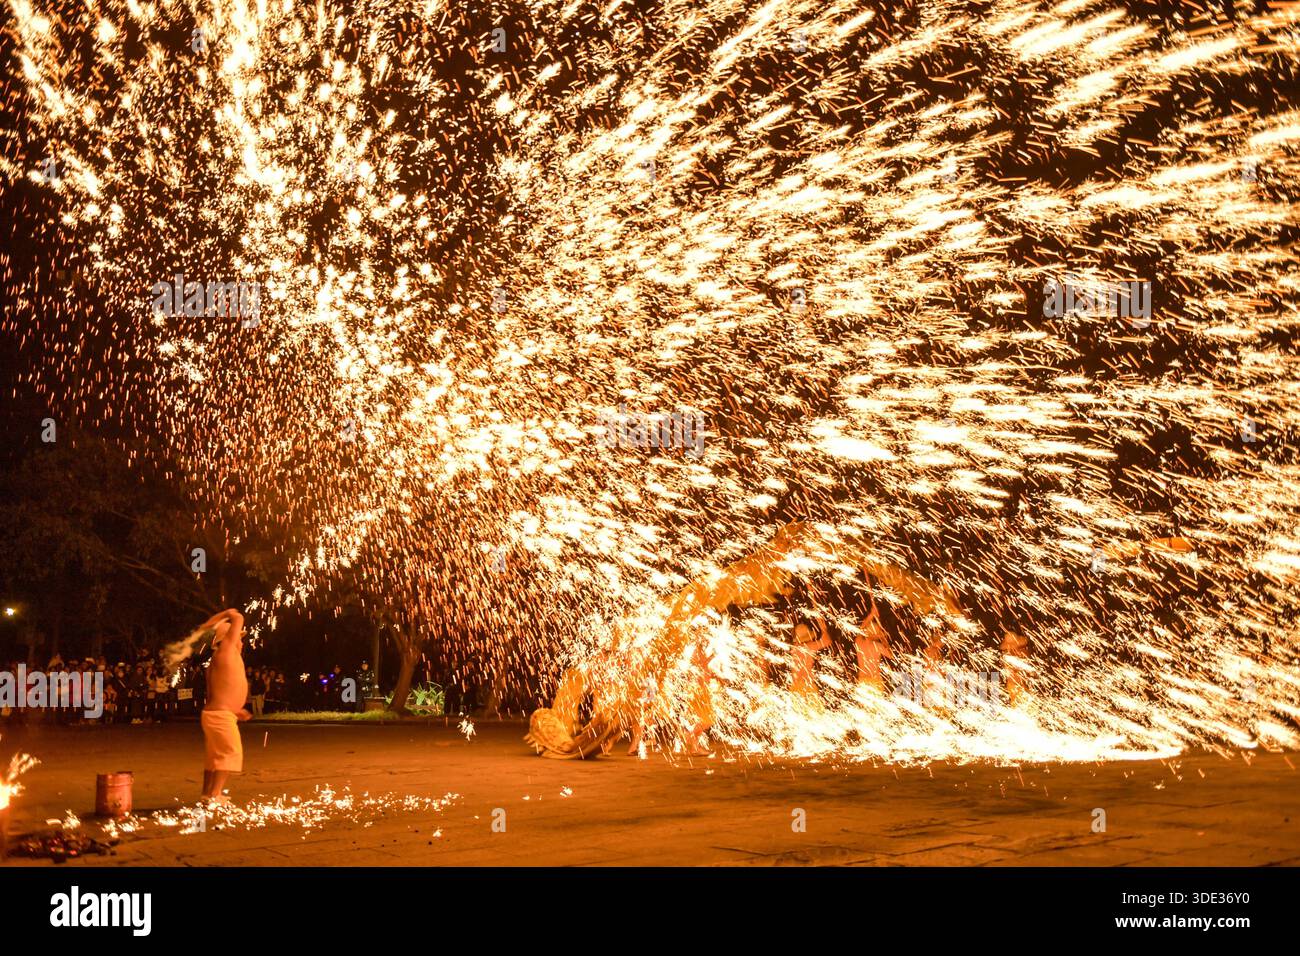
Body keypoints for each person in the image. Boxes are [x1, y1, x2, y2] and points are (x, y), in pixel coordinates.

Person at [198, 609, 251, 803]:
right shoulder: (226, 651)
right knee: (230, 752)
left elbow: (217, 693)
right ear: (229, 637)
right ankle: (214, 795)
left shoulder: (220, 659)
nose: (241, 641)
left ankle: (206, 794)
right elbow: (238, 617)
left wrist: (235, 710)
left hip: (217, 713)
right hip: (220, 715)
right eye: (239, 636)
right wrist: (229, 613)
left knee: (214, 758)